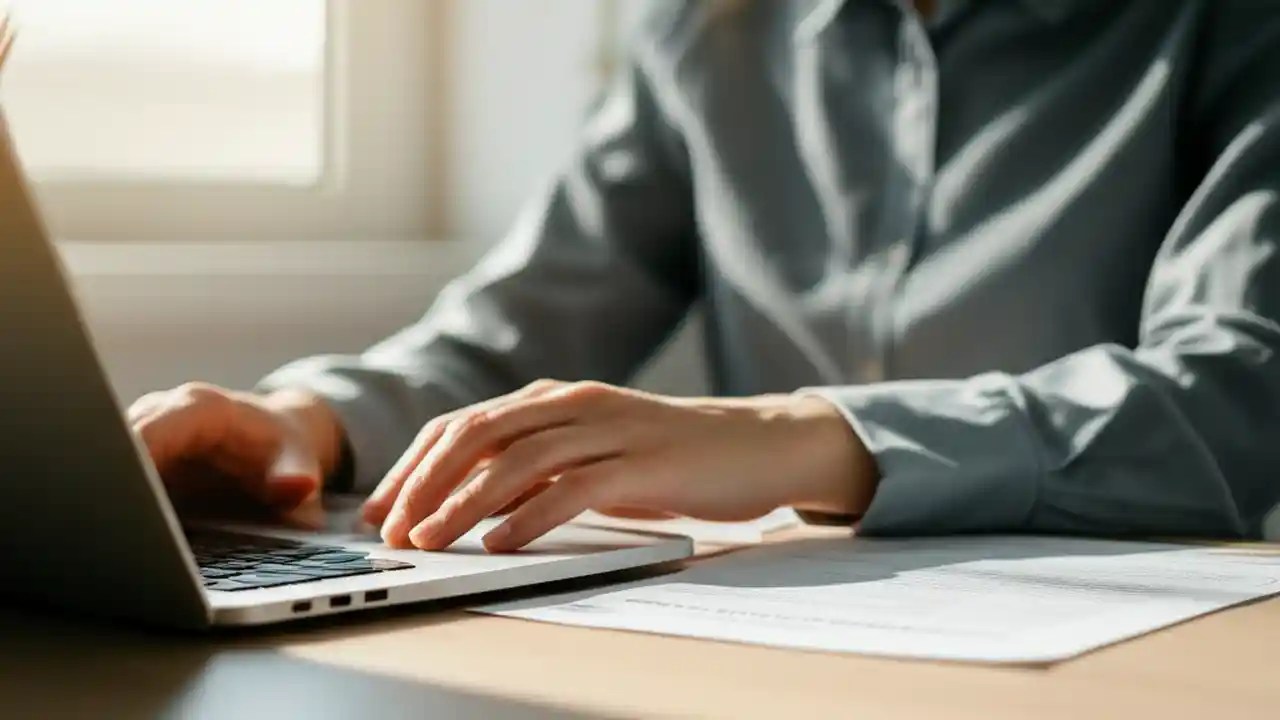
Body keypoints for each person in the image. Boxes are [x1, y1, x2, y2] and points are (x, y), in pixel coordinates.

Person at [131, 0, 1280, 553]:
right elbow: (517, 332)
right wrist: (305, 424)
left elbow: (1234, 396)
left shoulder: (1231, 31)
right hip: (776, 641)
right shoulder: (709, 31)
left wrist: (795, 437)